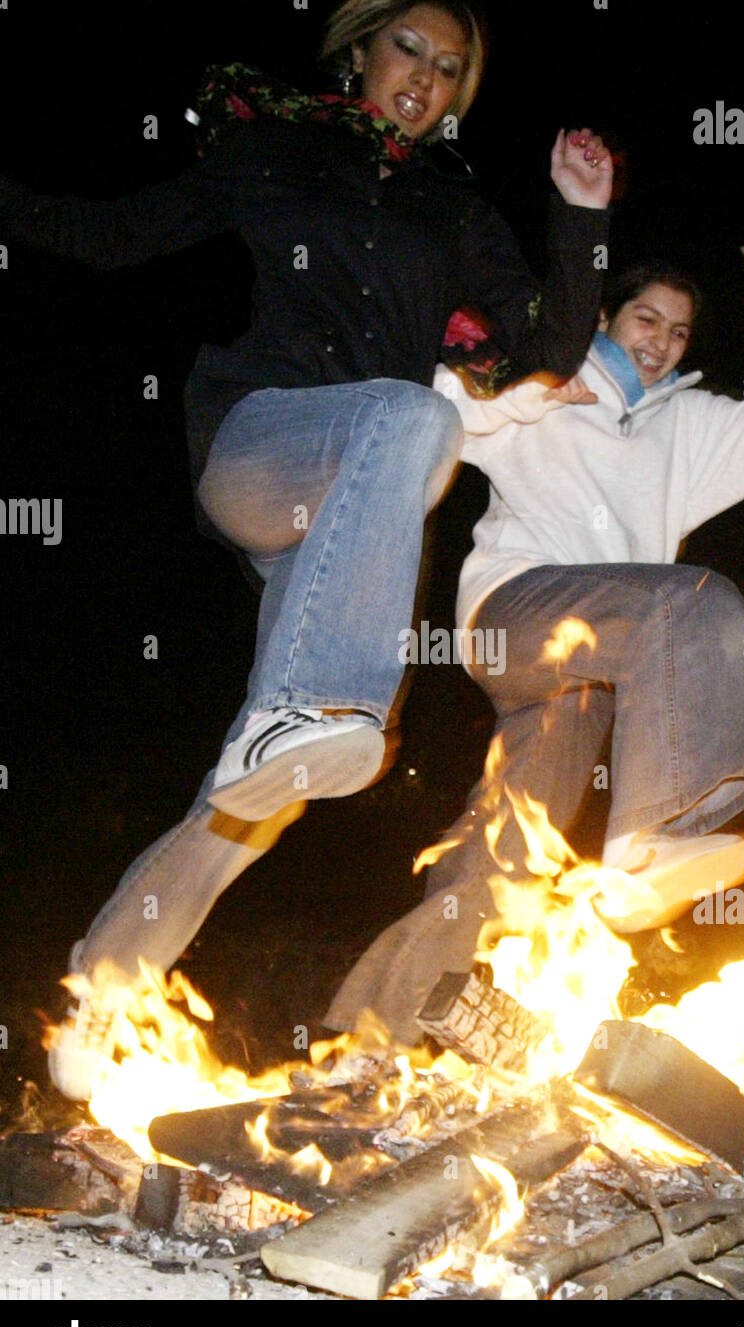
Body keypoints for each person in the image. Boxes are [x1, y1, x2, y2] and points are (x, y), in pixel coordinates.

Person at [0, 0, 614, 1098]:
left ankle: (100, 996)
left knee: (259, 790)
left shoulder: (449, 204)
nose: (423, 78)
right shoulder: (272, 150)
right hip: (262, 445)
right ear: (361, 52)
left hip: (350, 527)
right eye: (407, 51)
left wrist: (580, 215)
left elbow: (544, 339)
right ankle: (317, 702)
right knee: (415, 418)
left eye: (450, 68)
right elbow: (107, 233)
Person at [325, 237, 744, 1044]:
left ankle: (372, 1036)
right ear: (604, 318)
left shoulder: (690, 429)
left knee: (502, 852)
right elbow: (437, 408)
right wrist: (524, 388)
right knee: (692, 603)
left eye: (676, 332)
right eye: (645, 318)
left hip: (600, 667)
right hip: (515, 614)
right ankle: (650, 840)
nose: (660, 341)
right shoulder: (549, 380)